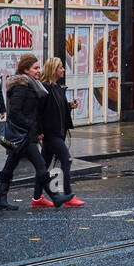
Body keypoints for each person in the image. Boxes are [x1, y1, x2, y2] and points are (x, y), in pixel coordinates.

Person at [0, 54, 66, 211]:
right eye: (35, 68)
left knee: (10, 166)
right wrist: (31, 126)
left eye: (39, 67)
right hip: (23, 135)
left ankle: (1, 199)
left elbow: (33, 111)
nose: (39, 71)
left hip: (26, 135)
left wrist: (37, 129)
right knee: (41, 166)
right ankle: (55, 197)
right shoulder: (22, 86)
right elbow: (14, 112)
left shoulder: (32, 85)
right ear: (25, 69)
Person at [34, 57, 84, 208]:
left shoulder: (56, 87)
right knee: (66, 160)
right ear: (54, 70)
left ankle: (37, 198)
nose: (63, 70)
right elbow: (38, 112)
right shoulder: (44, 88)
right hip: (51, 133)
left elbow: (59, 108)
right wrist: (39, 131)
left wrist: (70, 105)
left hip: (58, 131)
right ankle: (68, 195)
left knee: (43, 166)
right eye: (61, 67)